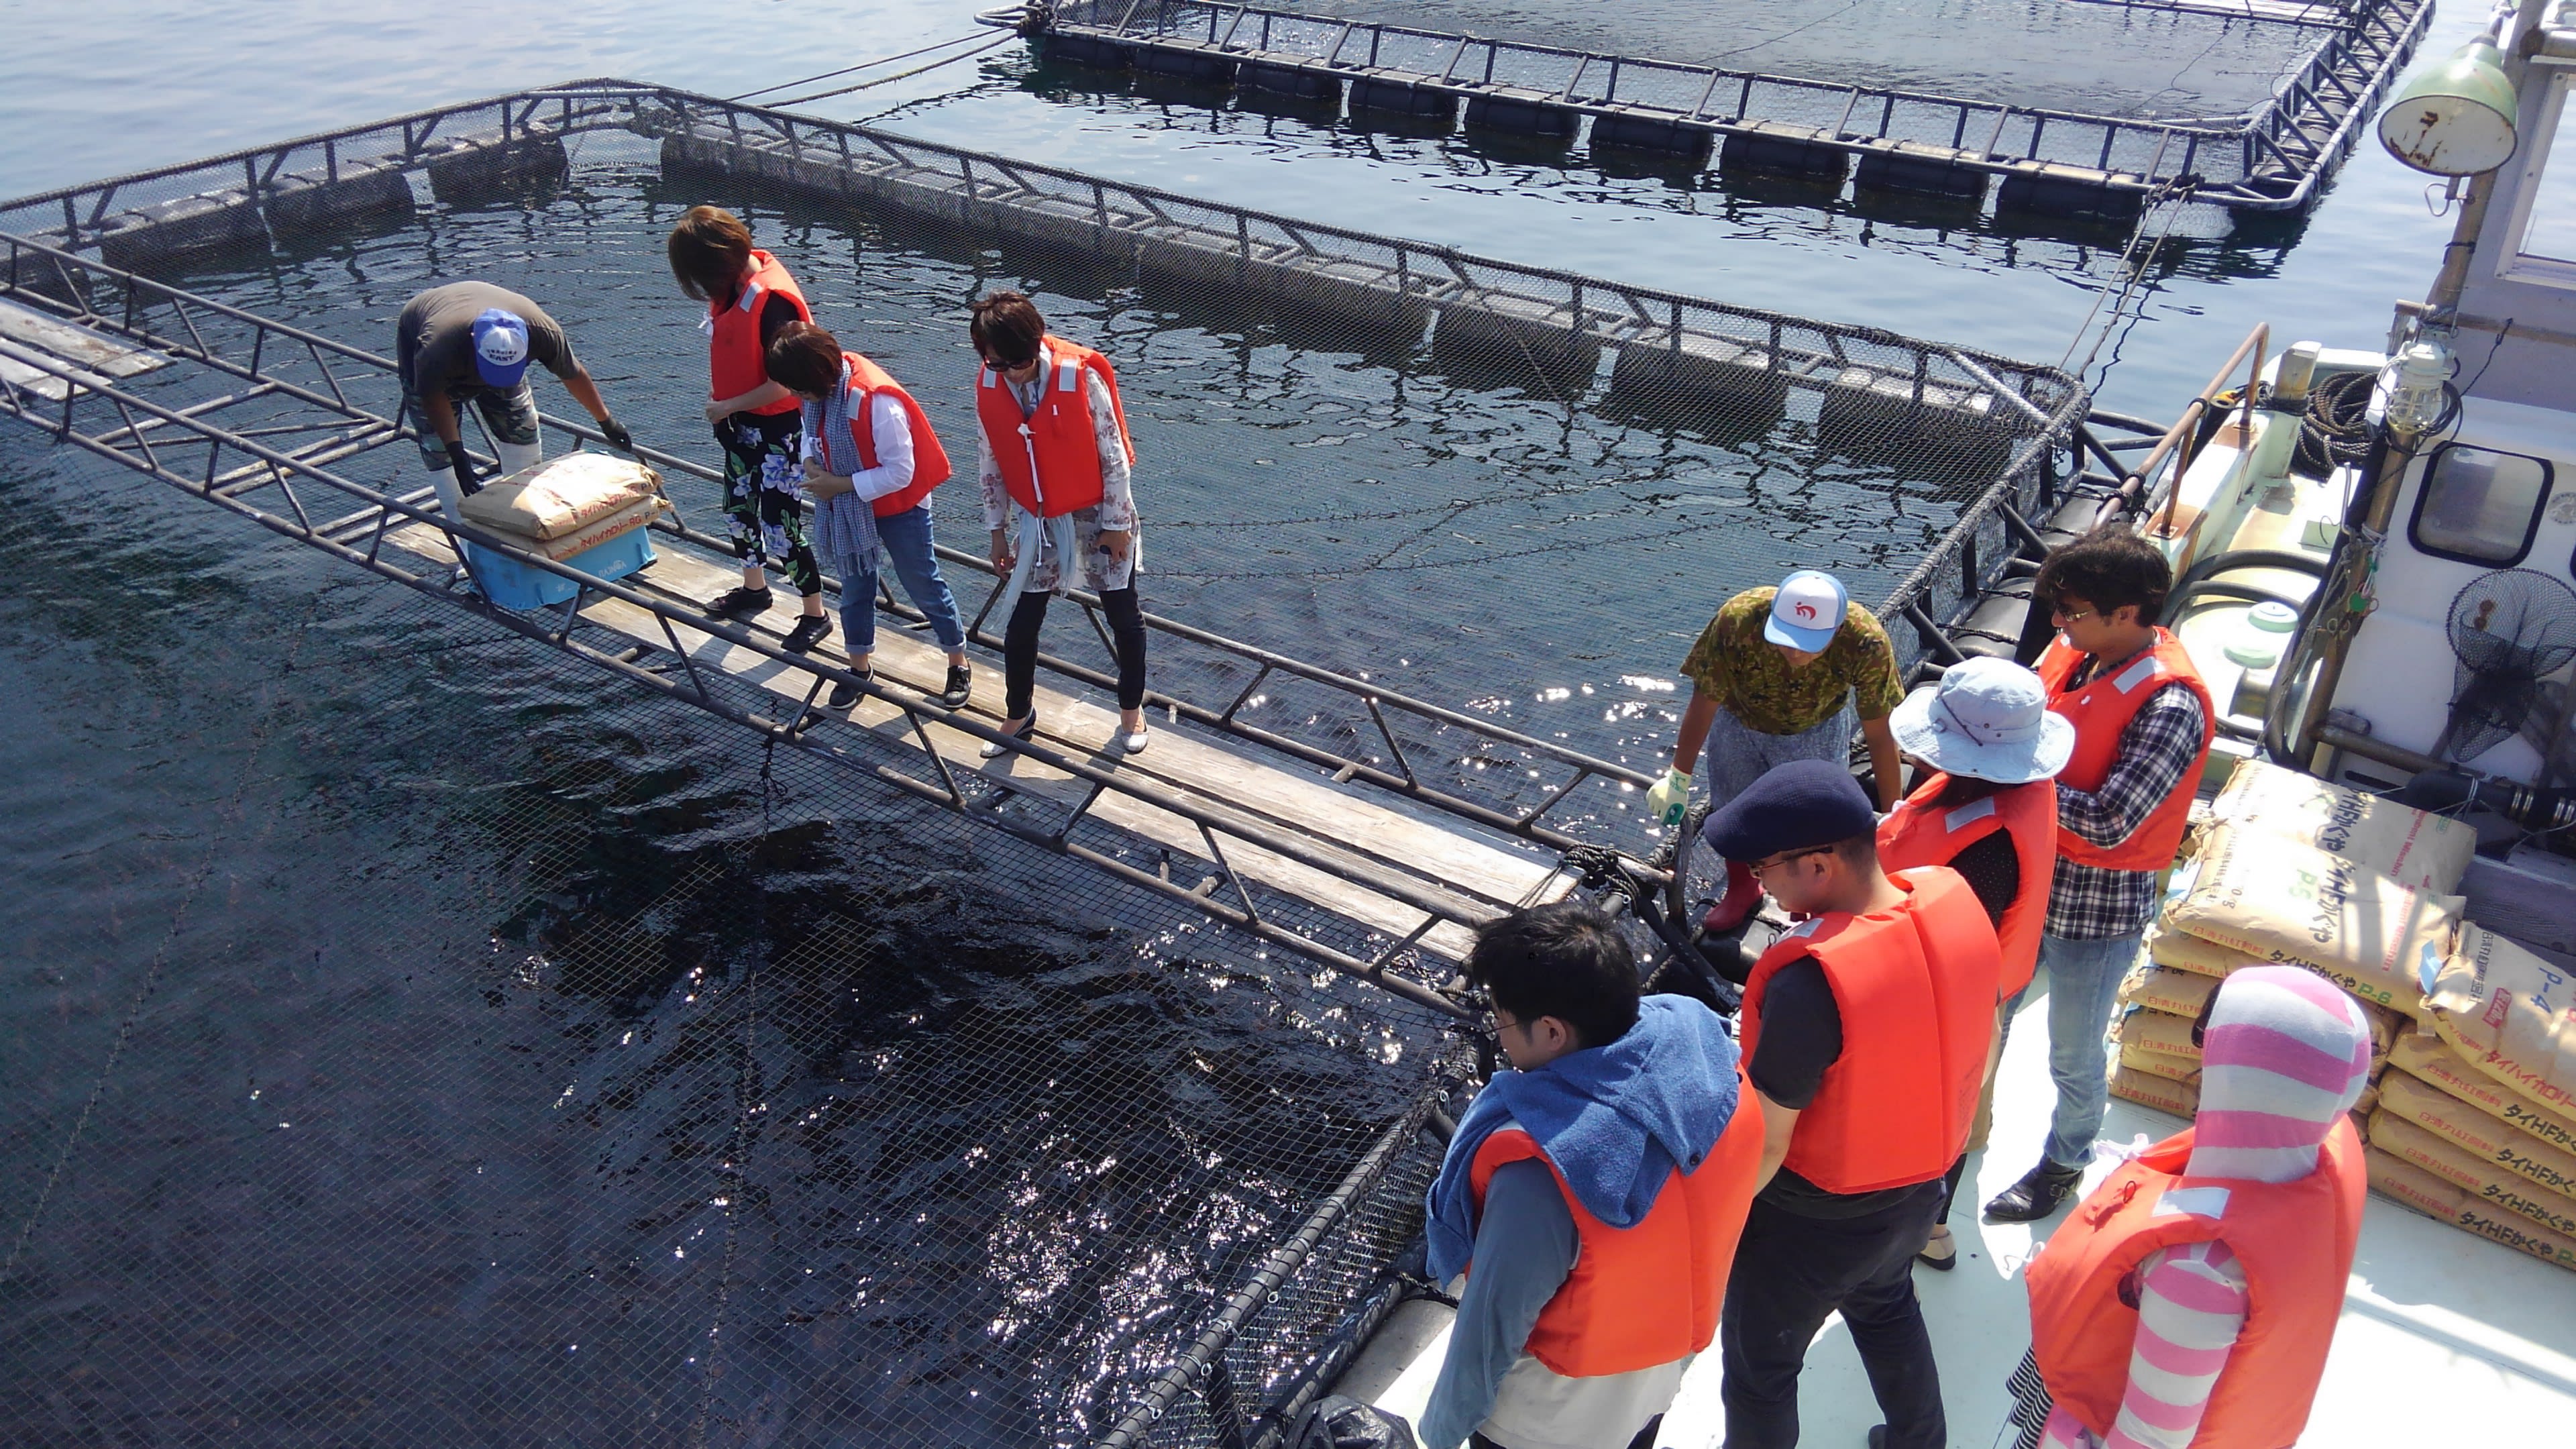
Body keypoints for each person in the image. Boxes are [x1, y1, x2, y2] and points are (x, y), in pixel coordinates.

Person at [1706, 759, 2002, 1449]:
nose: (1759, 886)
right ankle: (1919, 1441)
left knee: (1761, 1372)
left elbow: (1770, 1142)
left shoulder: (1810, 986)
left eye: (1764, 868)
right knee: (1887, 1307)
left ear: (1817, 866)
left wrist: (1711, 1227)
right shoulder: (1952, 902)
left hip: (1809, 1228)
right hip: (1917, 1196)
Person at [1416, 900, 1762, 1449]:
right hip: (1660, 1376)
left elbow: (1491, 1329)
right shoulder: (1710, 1059)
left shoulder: (1541, 1174)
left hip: (1548, 1421)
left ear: (1552, 1031)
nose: (1500, 1034)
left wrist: (1439, 1432)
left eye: (1501, 1019)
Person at [2004, 966, 2371, 1449]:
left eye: (2208, 1036)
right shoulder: (2325, 1150)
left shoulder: (2199, 1272)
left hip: (2093, 1421)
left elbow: (2151, 1439)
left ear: (2236, 1075)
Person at [1985, 526, 2214, 1224]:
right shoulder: (2074, 653)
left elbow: (2115, 819)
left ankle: (2066, 1160)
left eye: (2072, 609)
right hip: (2023, 881)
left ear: (2127, 615)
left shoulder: (2169, 705)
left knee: (2073, 1051)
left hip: (2095, 908)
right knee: (1981, 1016)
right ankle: (1963, 1132)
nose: (2057, 621)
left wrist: (2007, 782)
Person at [1874, 655, 2071, 1269]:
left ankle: (1924, 1231)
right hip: (1989, 987)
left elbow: (1945, 941)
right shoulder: (2013, 794)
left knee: (1936, 1121)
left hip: (1943, 1008)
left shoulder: (1987, 849)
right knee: (1962, 1110)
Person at [1646, 570, 1906, 933]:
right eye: (1786, 639)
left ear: (1836, 631)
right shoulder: (1738, 619)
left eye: (1808, 643)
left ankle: (1816, 902)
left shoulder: (1867, 641)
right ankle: (1742, 888)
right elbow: (1704, 701)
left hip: (1815, 729)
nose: (1795, 652)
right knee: (1733, 806)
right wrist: (1678, 777)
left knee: (1817, 821)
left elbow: (1879, 733)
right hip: (1739, 723)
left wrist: (1894, 812)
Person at [967, 290, 1149, 757]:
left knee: (1122, 616)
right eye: (997, 364)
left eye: (1019, 360)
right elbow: (992, 464)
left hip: (1098, 512)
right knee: (1023, 620)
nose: (1011, 371)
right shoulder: (990, 384)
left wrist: (1116, 526)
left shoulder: (1081, 377)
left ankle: (1131, 711)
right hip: (1040, 518)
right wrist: (996, 531)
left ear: (1036, 341)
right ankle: (1018, 714)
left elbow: (1113, 459)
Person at [765, 321, 973, 713]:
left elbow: (900, 472)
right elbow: (811, 432)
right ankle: (858, 668)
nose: (794, 396)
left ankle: (958, 661)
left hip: (899, 506)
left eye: (797, 389)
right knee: (855, 587)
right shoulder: (815, 396)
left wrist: (839, 485)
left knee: (922, 582)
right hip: (850, 506)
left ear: (817, 377)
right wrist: (809, 460)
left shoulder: (875, 400)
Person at [667, 205, 830, 653]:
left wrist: (726, 406)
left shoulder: (773, 302)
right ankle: (754, 587)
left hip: (778, 430)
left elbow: (784, 381)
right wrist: (727, 410)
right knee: (738, 509)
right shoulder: (734, 291)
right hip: (738, 425)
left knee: (781, 523)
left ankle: (815, 612)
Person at [393, 280, 629, 525]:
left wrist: (606, 421)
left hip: (487, 350)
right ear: (475, 341)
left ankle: (521, 516)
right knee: (441, 451)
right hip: (432, 346)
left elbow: (573, 374)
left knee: (522, 429)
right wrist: (456, 452)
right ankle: (463, 534)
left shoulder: (543, 332)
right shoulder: (437, 347)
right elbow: (433, 397)